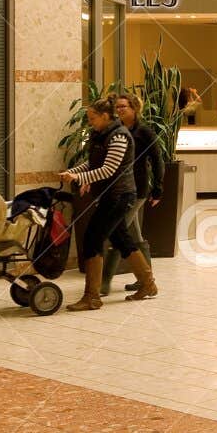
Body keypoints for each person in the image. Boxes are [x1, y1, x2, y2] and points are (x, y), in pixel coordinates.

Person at [60, 97, 157, 310]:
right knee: (121, 238)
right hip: (109, 195)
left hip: (118, 196)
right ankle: (148, 284)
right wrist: (74, 172)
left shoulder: (119, 136)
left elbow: (109, 169)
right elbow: (94, 163)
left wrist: (80, 179)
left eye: (92, 118)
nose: (90, 122)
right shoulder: (102, 134)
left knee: (92, 239)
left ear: (105, 116)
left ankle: (92, 297)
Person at [101, 92, 166, 298]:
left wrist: (158, 188)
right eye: (117, 107)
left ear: (134, 109)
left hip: (137, 190)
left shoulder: (144, 132)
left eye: (123, 107)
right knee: (135, 236)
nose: (119, 110)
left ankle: (103, 283)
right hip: (119, 189)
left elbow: (157, 160)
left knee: (115, 232)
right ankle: (146, 280)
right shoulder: (115, 131)